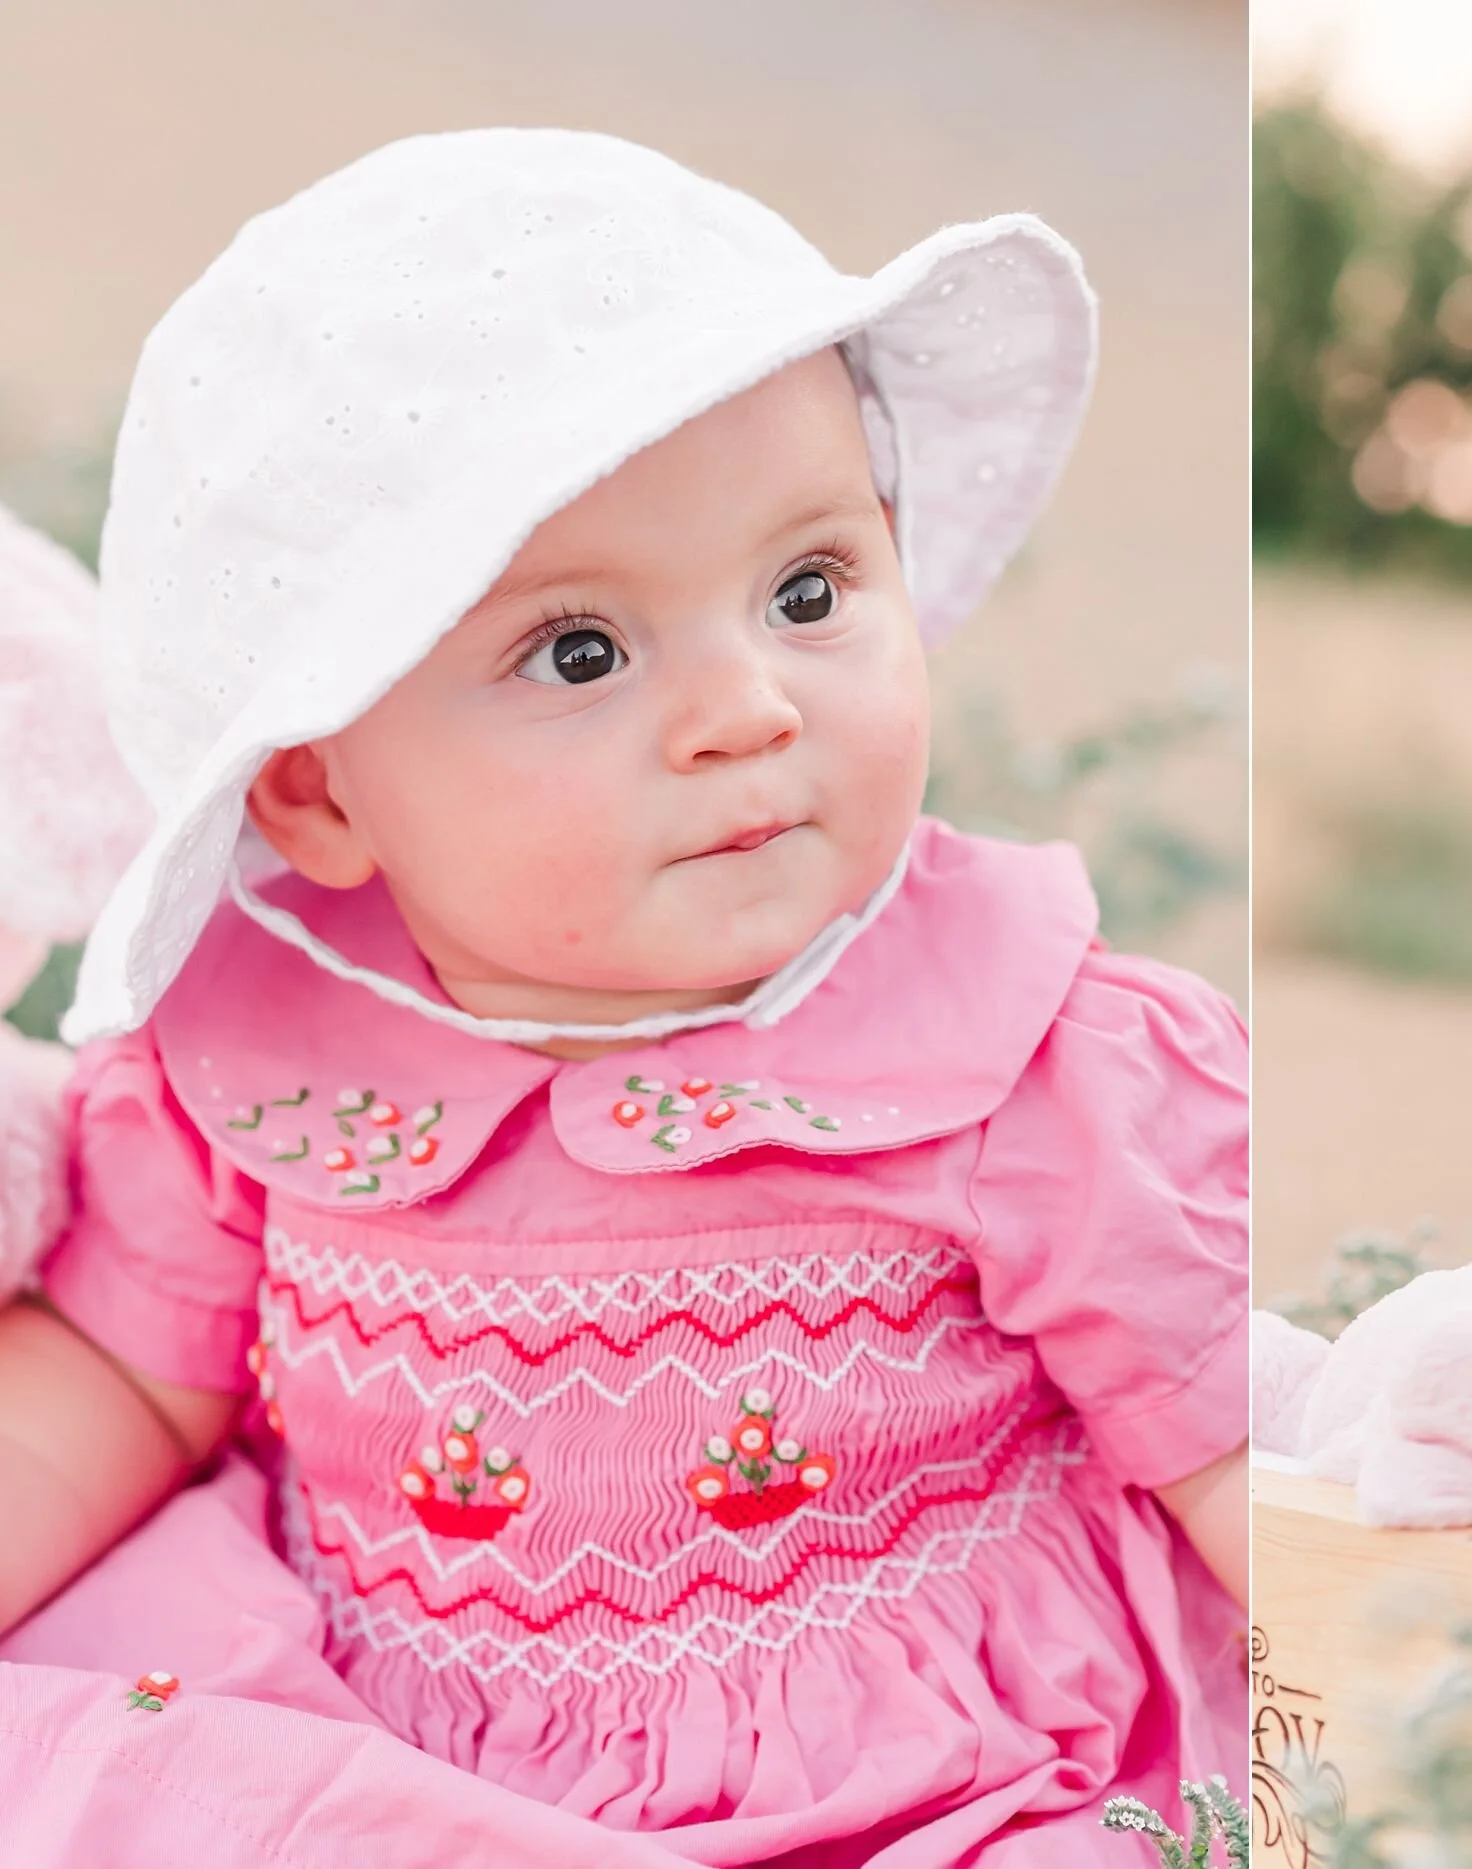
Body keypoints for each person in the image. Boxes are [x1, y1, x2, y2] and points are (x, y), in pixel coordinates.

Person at [0, 129, 1245, 1866]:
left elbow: (1226, 1444)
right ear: (316, 791)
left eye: (809, 590)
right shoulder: (260, 1056)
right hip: (382, 1753)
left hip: (921, 1782)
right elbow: (133, 1383)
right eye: (581, 650)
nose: (749, 703)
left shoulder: (1022, 1048)